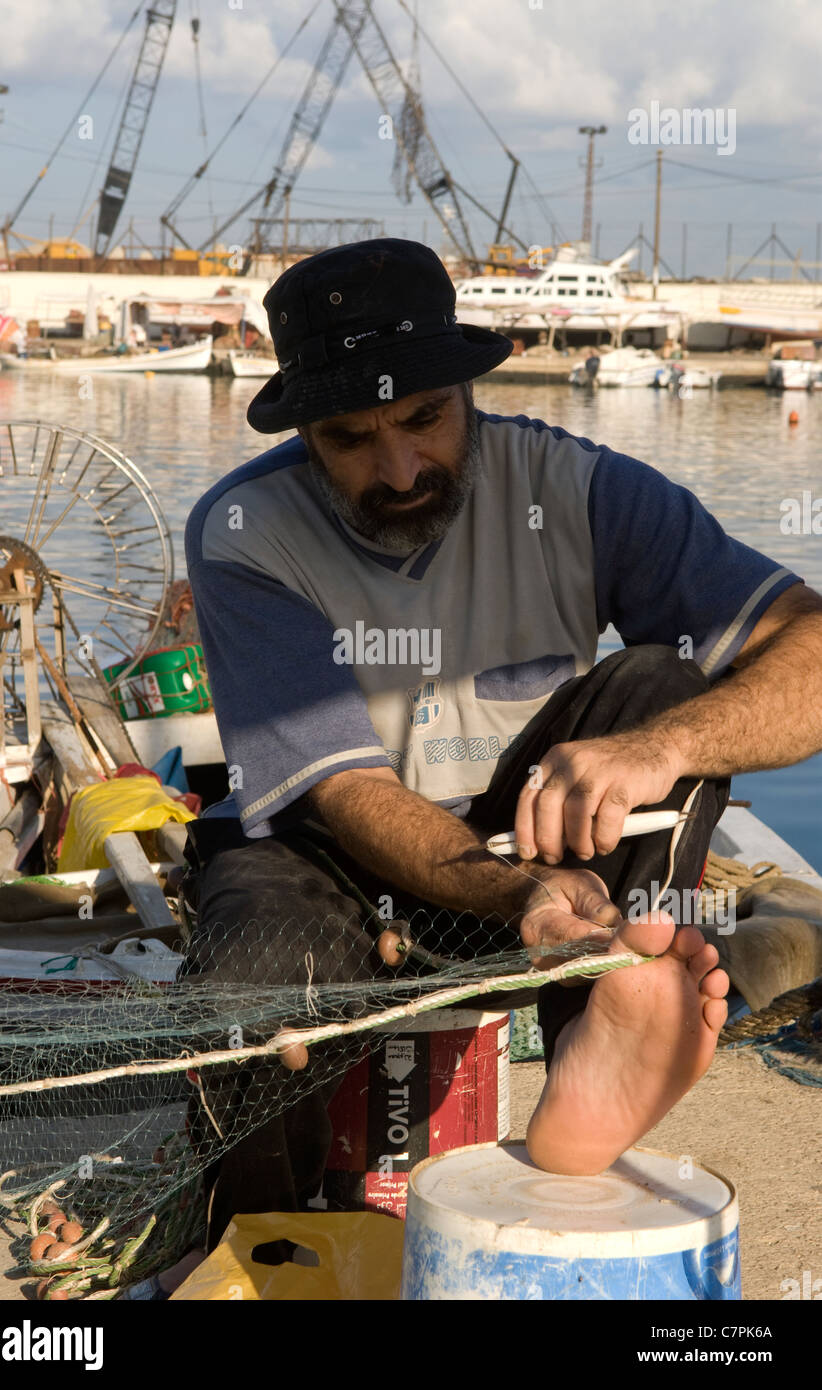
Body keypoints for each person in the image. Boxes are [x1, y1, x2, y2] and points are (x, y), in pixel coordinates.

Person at [178, 237, 822, 1262]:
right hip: (335, 859)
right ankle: (272, 1245)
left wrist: (663, 745)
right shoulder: (244, 529)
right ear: (303, 429)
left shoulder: (584, 489)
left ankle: (601, 1025)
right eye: (352, 437)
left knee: (665, 683)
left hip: (554, 870)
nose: (398, 468)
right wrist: (516, 890)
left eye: (425, 419)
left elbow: (811, 650)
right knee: (250, 990)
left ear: (467, 384)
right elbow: (343, 790)